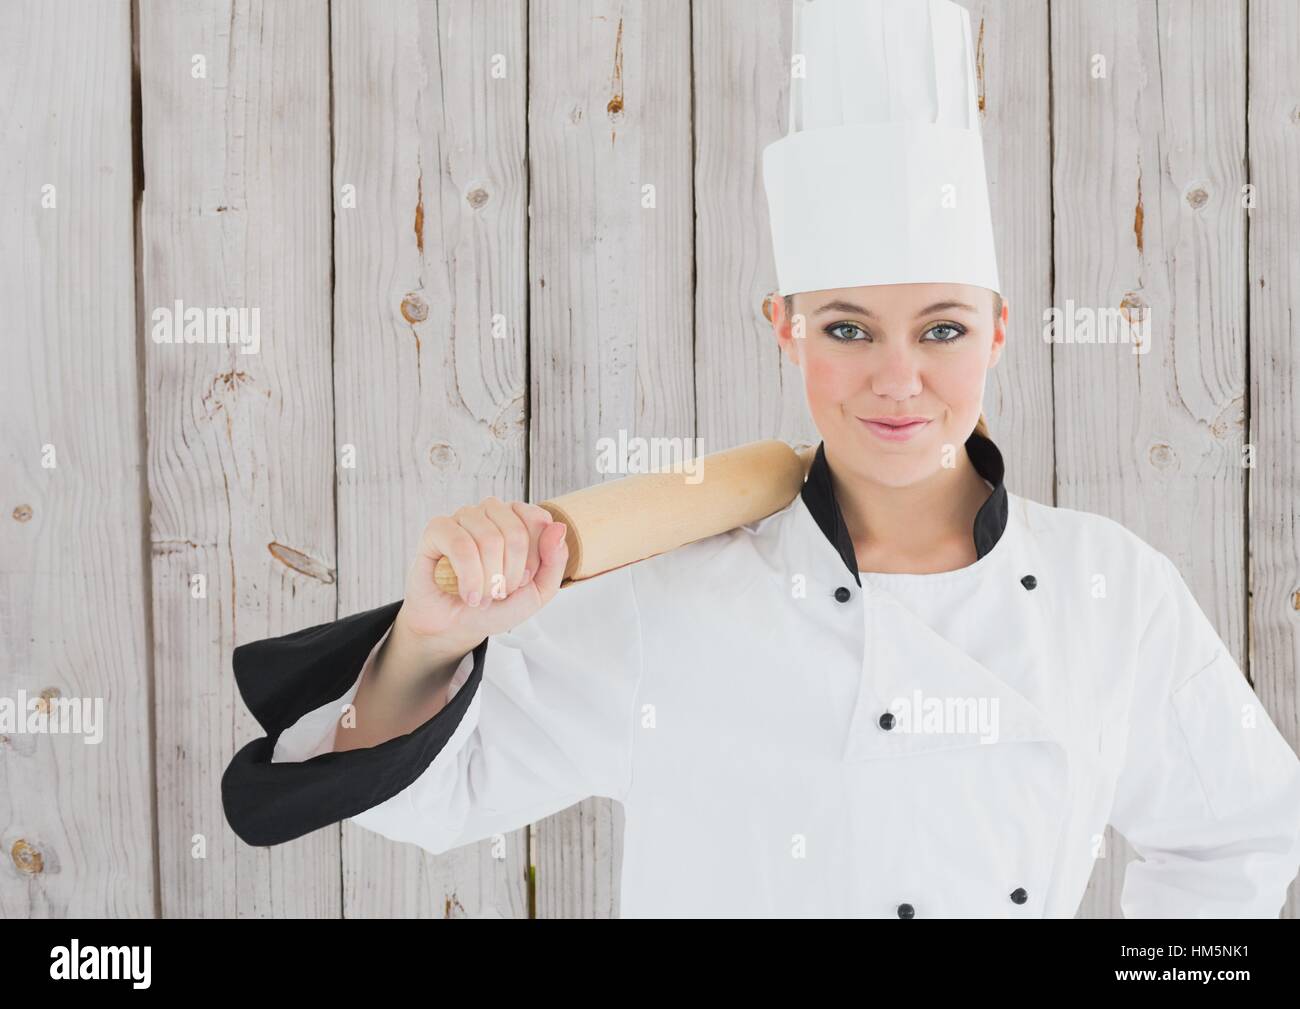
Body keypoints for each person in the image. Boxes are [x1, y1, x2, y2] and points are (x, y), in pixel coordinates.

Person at [221, 0, 1300, 917]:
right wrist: (429, 636)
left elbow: (1242, 836)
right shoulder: (673, 596)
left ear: (999, 330)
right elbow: (423, 794)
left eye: (941, 328)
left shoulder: (1109, 591)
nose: (897, 380)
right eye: (846, 328)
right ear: (784, 328)